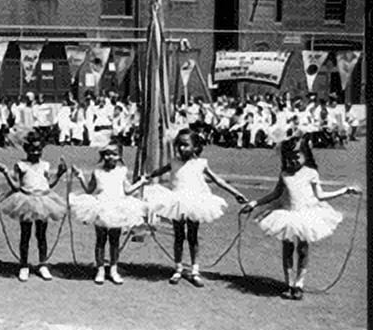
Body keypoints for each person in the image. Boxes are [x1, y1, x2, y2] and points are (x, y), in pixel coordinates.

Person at [242, 135, 361, 300]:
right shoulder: (284, 174)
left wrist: (344, 190)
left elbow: (320, 195)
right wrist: (254, 203)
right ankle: (289, 284)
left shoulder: (311, 173)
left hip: (306, 216)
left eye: (297, 155)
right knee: (288, 249)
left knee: (303, 249)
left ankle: (299, 284)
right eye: (289, 157)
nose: (293, 160)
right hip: (287, 215)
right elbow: (275, 194)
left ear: (306, 154)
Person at [143, 128, 248, 286]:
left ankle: (194, 270)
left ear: (196, 147)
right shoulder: (174, 162)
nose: (181, 148)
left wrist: (236, 193)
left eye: (185, 145)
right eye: (179, 145)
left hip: (194, 203)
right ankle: (178, 268)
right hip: (177, 201)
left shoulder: (201, 163)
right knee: (178, 236)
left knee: (192, 236)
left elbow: (218, 180)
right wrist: (148, 176)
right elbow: (160, 171)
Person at [70, 144, 149, 285]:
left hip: (118, 208)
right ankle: (100, 269)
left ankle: (113, 269)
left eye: (113, 154)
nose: (109, 157)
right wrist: (80, 176)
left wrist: (141, 182)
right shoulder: (97, 171)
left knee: (114, 240)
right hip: (100, 207)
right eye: (106, 154)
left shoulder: (122, 171)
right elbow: (89, 190)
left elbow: (127, 190)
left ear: (119, 156)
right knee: (100, 240)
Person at [0, 131, 68, 282]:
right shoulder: (21, 165)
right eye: (32, 149)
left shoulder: (45, 165)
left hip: (43, 201)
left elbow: (49, 184)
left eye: (38, 149)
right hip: (26, 201)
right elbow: (15, 186)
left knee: (41, 235)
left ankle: (43, 264)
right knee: (25, 235)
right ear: (26, 149)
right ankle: (24, 265)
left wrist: (59, 174)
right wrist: (6, 173)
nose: (36, 152)